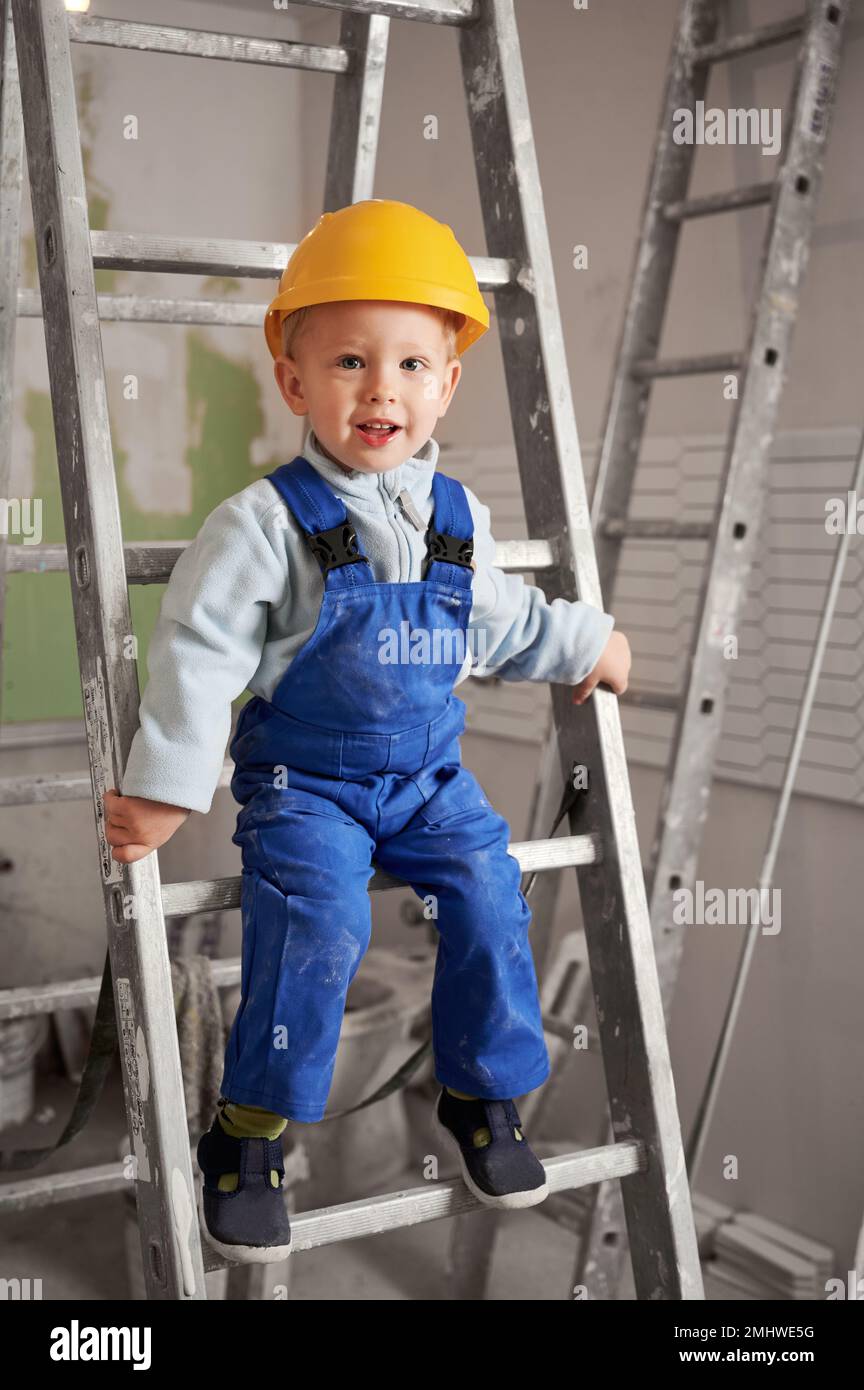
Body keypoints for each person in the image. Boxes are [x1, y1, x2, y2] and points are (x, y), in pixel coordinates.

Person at [107, 200, 631, 1264]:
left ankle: (479, 1095)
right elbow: (201, 655)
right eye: (348, 360)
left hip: (428, 779)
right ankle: (248, 1134)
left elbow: (498, 619)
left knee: (489, 888)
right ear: (295, 381)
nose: (380, 387)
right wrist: (167, 785)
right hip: (308, 785)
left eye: (408, 363)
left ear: (446, 383)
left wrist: (584, 644)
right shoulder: (261, 524)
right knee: (321, 920)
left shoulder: (456, 516)